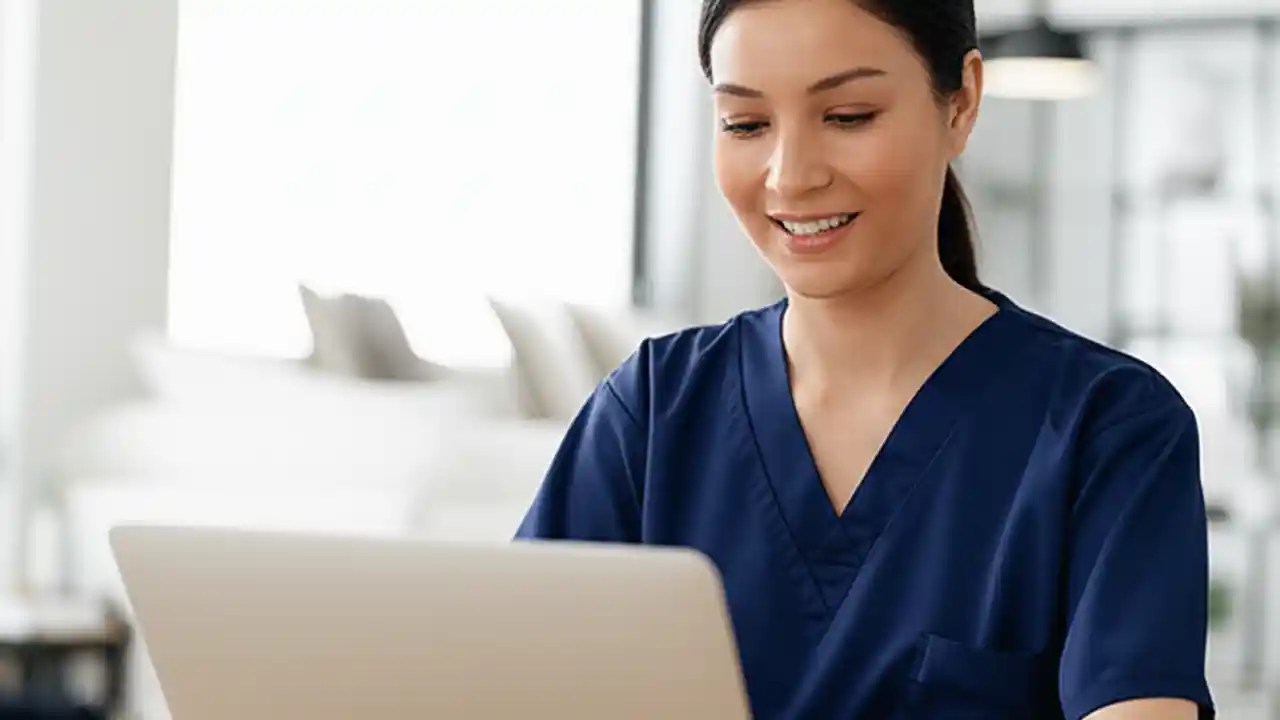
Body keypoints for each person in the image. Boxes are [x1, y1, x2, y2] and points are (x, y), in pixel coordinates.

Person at [516, 0, 1214, 717]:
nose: (790, 177)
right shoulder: (653, 412)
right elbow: (507, 675)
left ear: (962, 102)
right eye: (746, 125)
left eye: (848, 116)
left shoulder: (1108, 427)